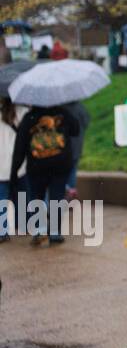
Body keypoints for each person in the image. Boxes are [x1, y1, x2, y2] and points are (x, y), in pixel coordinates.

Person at [9, 101, 82, 246]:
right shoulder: (63, 113)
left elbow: (20, 146)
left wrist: (14, 170)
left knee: (37, 198)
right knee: (56, 198)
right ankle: (54, 233)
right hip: (60, 165)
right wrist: (65, 111)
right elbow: (76, 130)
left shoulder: (29, 118)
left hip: (37, 167)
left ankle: (39, 231)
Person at [0, 97, 26, 243]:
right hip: (19, 163)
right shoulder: (23, 112)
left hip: (0, 164)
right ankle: (21, 224)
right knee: (21, 195)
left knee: (1, 199)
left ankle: (2, 231)